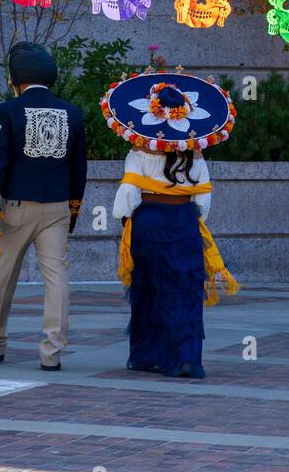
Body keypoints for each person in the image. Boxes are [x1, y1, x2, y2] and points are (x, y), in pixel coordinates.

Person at [101, 70, 240, 379]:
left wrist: (124, 219)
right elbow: (203, 199)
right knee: (186, 290)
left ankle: (148, 356)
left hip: (148, 221)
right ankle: (188, 358)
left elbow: (127, 194)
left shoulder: (138, 151)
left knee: (148, 288)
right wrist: (192, 219)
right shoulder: (196, 154)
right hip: (184, 221)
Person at [0, 40, 87, 371]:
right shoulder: (73, 113)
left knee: (5, 274)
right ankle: (52, 352)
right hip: (58, 208)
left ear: (15, 79)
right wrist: (73, 211)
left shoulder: (5, 112)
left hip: (16, 207)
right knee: (57, 280)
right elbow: (79, 169)